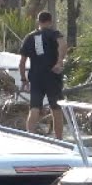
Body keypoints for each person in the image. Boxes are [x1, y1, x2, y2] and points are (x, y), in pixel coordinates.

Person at [19, 11, 69, 140]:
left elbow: (22, 62)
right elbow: (63, 45)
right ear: (50, 21)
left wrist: (23, 79)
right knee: (56, 108)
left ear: (38, 21)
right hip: (52, 75)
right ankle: (59, 139)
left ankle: (30, 137)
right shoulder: (53, 34)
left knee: (34, 107)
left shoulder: (29, 37)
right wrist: (59, 62)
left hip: (35, 76)